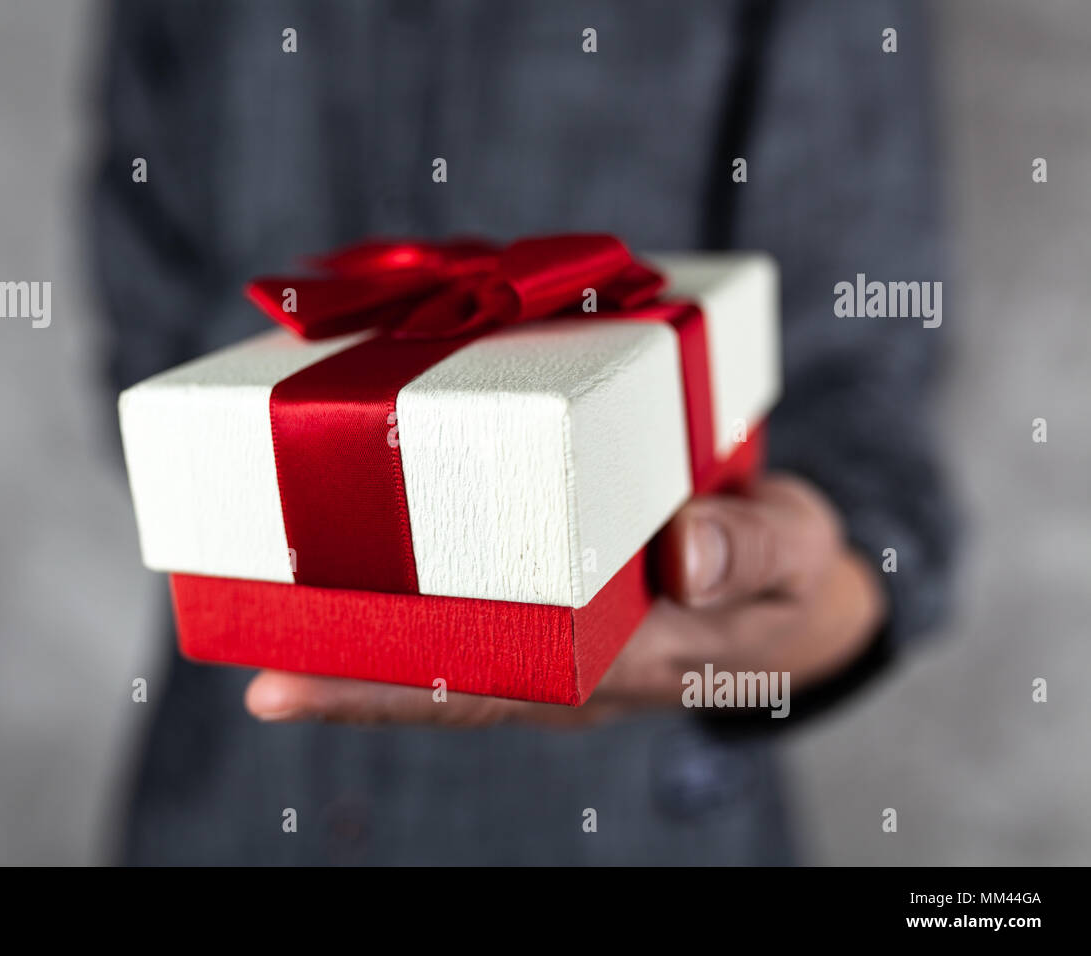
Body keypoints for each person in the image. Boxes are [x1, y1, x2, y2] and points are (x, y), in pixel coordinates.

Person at [91, 0, 955, 865]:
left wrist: (802, 609)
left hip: (622, 822)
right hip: (223, 806)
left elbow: (859, 401)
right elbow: (145, 326)